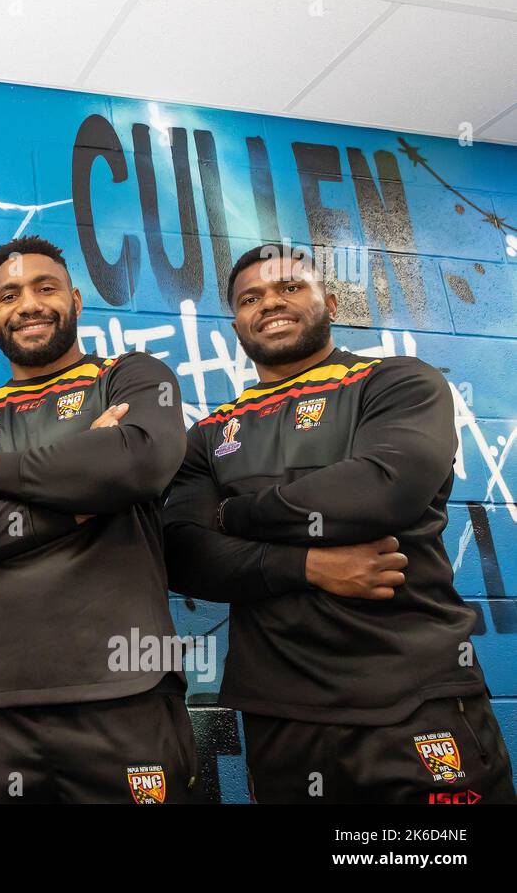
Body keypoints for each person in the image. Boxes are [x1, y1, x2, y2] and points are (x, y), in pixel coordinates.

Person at [163, 243, 515, 804]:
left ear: (328, 300)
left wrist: (238, 514)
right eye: (250, 298)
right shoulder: (209, 435)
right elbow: (183, 554)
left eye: (289, 287)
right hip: (280, 714)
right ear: (235, 323)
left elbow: (382, 491)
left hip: (413, 700)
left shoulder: (397, 383)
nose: (270, 303)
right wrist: (307, 565)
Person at [0, 235, 195, 804]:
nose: (29, 304)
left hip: (126, 694)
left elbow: (137, 464)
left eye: (45, 288)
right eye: (9, 295)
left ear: (76, 300)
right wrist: (80, 501)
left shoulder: (132, 376)